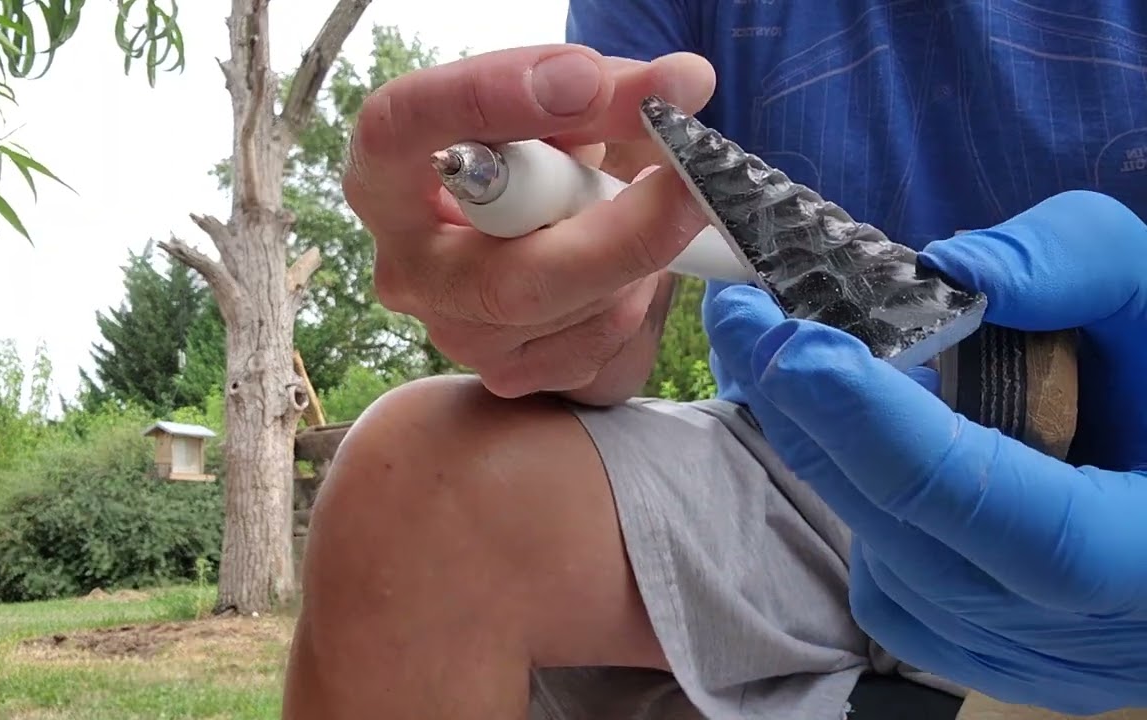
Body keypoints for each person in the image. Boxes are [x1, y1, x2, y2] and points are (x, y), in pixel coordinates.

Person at [282, 1, 1147, 718]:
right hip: (797, 468)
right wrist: (555, 305)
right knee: (418, 487)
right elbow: (612, 324)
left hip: (1119, 477)